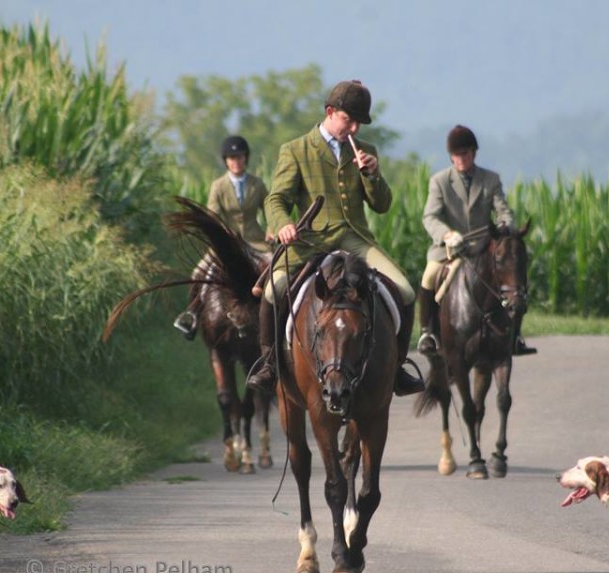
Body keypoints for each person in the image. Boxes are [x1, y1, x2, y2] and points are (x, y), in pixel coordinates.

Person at [246, 80, 424, 397]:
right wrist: (284, 224)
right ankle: (269, 363)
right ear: (330, 112)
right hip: (309, 242)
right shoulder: (296, 150)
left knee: (406, 291)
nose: (354, 128)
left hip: (354, 237)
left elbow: (382, 206)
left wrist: (373, 176)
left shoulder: (366, 151)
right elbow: (276, 200)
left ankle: (397, 369)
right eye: (349, 120)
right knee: (273, 291)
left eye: (359, 123)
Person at [418, 124, 536, 357]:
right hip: (449, 249)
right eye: (456, 155)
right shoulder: (439, 181)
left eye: (465, 154)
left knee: (514, 277)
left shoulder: (490, 180)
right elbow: (430, 216)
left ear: (474, 153)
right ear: (451, 156)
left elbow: (504, 211)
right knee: (429, 276)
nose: (460, 159)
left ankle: (515, 336)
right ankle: (427, 332)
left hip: (483, 246)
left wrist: (505, 224)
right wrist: (446, 235)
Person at [173, 135, 273, 340]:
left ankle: (280, 314)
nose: (236, 161)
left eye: (240, 157)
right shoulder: (218, 186)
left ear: (246, 158)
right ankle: (192, 315)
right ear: (226, 160)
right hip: (228, 244)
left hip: (256, 241)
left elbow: (271, 209)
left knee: (275, 268)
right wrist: (222, 231)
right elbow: (212, 214)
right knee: (198, 272)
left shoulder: (258, 184)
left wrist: (272, 227)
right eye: (232, 158)